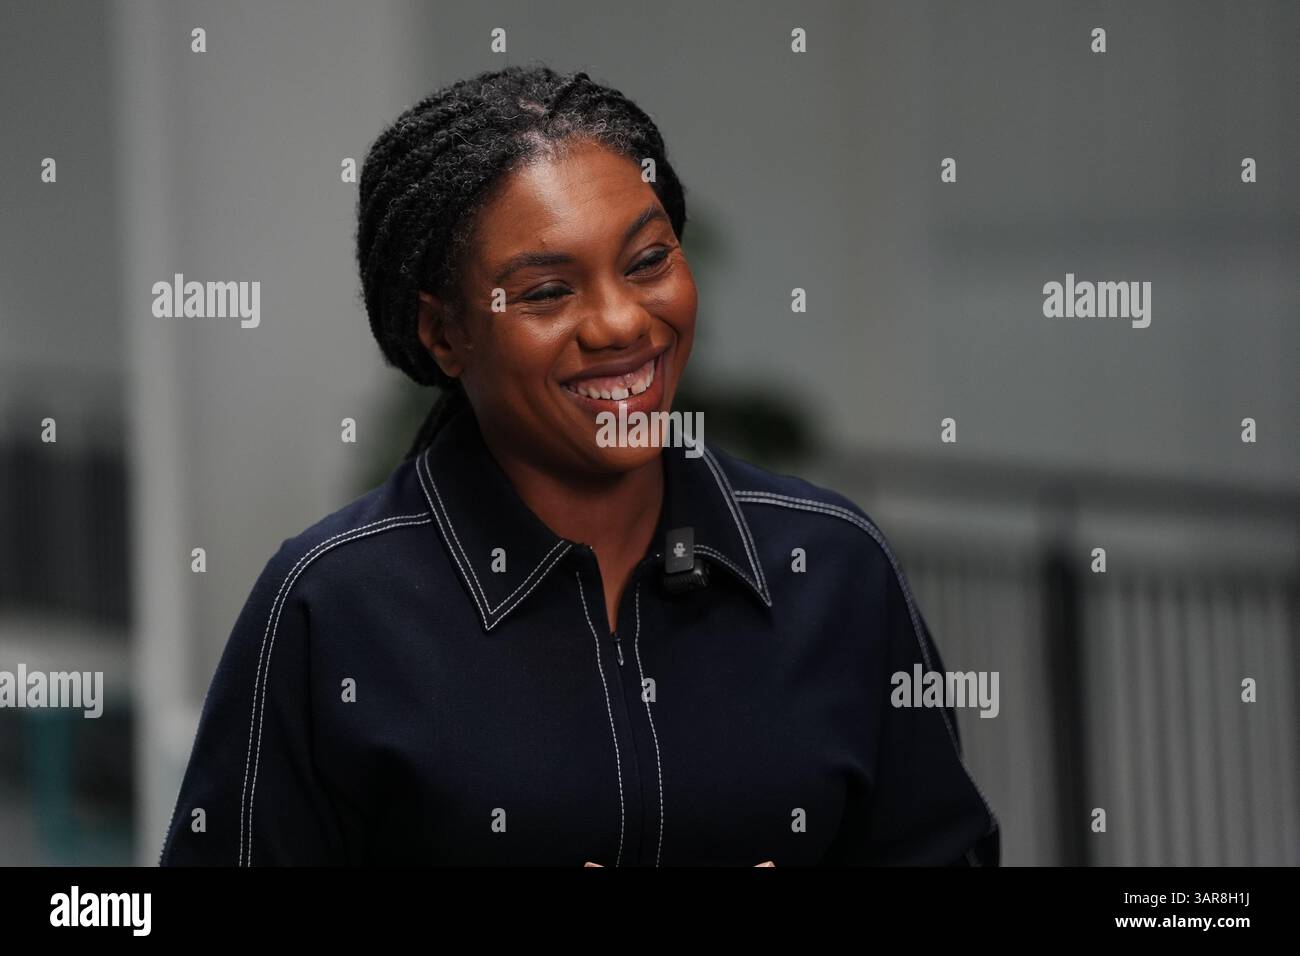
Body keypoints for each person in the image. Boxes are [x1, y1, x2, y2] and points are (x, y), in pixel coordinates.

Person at [159, 64, 999, 866]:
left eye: (647, 263)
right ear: (445, 333)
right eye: (547, 292)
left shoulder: (834, 569)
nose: (620, 324)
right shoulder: (332, 607)